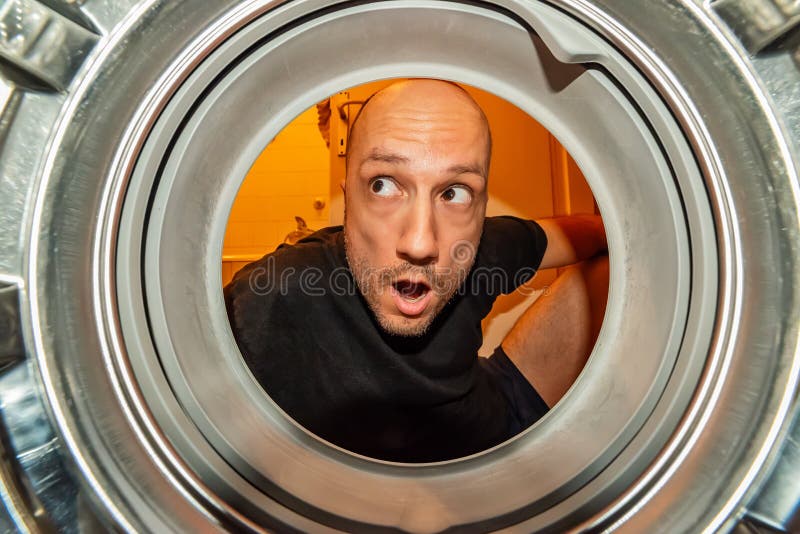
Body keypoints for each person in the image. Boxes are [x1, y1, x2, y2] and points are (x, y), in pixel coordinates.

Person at [224, 79, 608, 462]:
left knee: (612, 265)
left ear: (481, 210)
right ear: (348, 197)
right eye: (382, 185)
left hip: (493, 423)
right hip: (353, 482)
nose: (421, 243)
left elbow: (582, 234)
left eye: (454, 193)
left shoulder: (479, 247)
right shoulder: (270, 296)